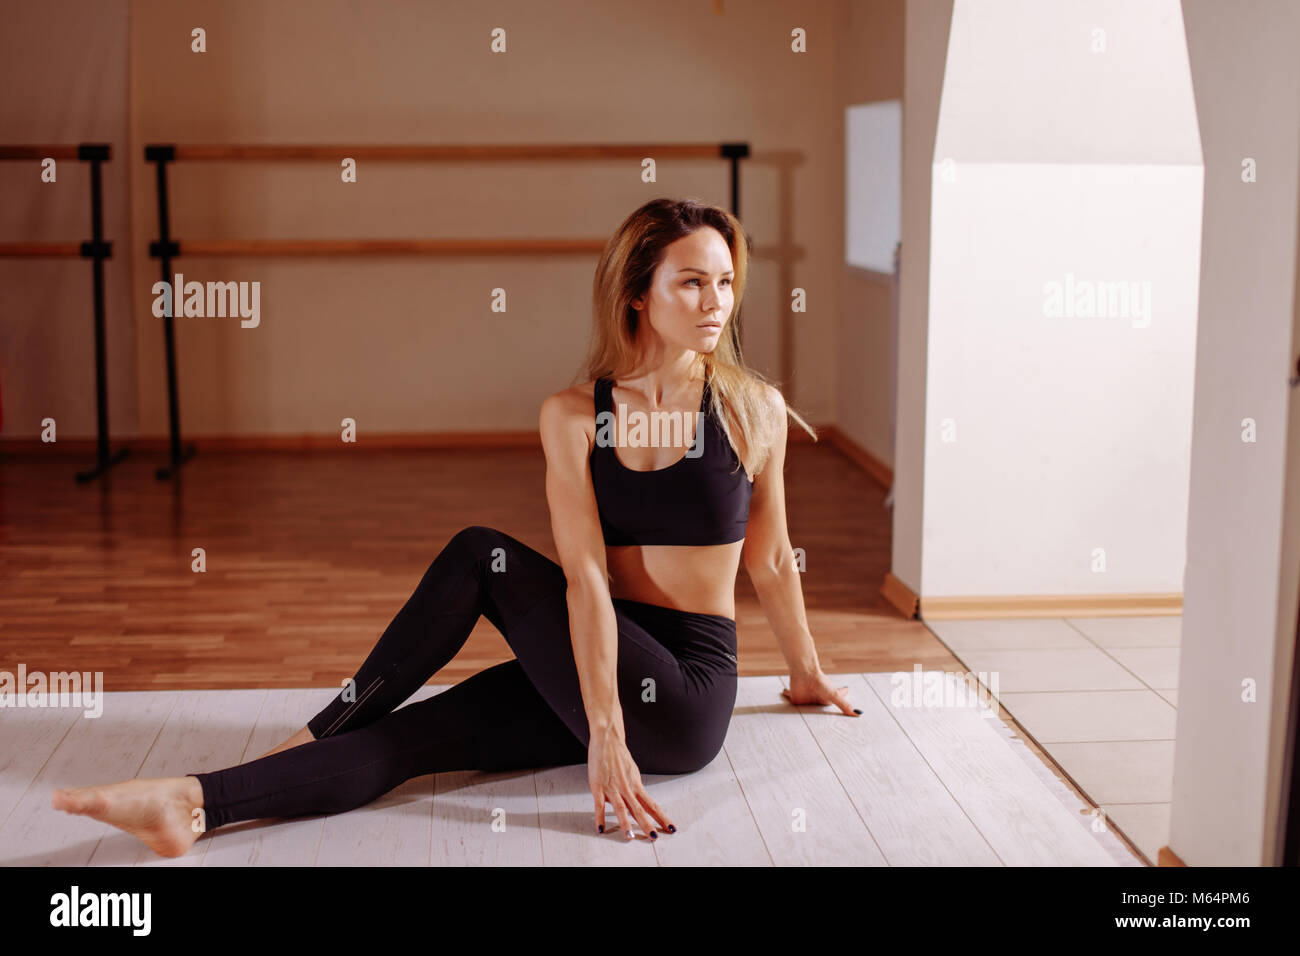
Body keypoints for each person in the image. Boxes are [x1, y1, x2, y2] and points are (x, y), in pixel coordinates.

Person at [50, 197, 859, 858]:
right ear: (637, 295)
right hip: (598, 650)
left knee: (483, 554)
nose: (717, 302)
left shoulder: (753, 409)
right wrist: (601, 721)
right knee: (418, 740)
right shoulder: (576, 416)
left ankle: (310, 734)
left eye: (725, 282)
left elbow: (772, 562)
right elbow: (582, 578)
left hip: (684, 696)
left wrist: (805, 672)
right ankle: (196, 805)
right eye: (692, 282)